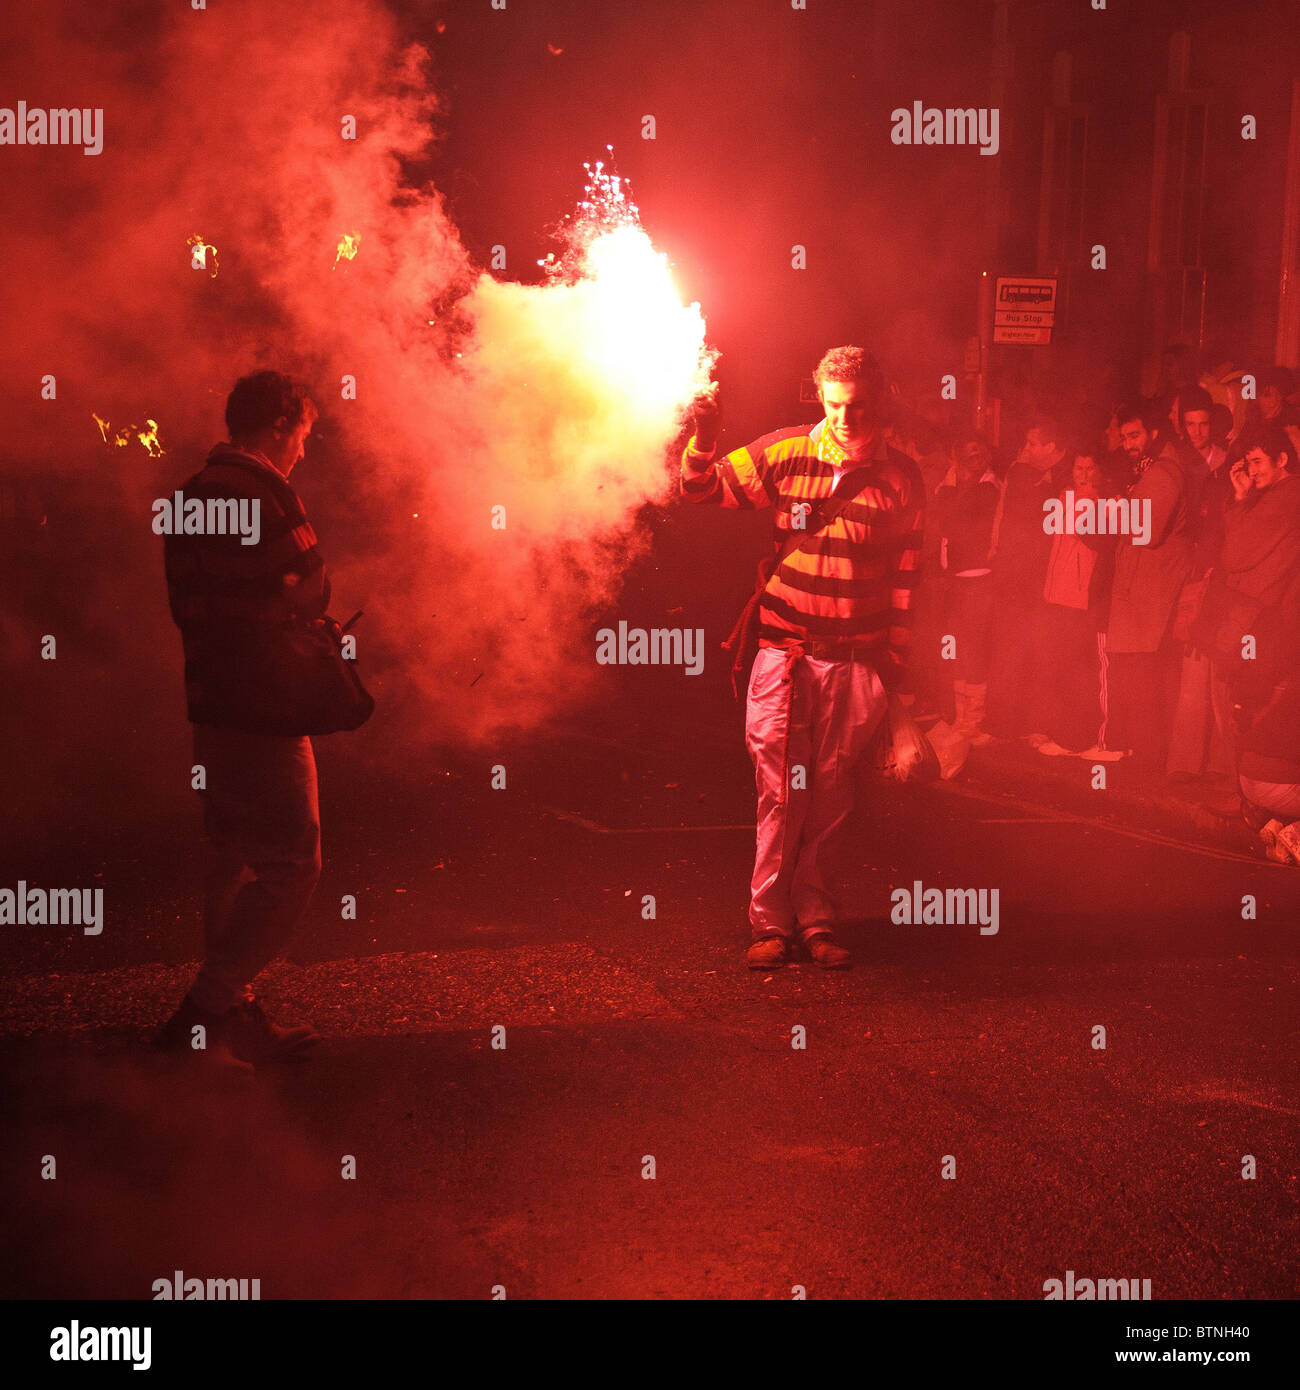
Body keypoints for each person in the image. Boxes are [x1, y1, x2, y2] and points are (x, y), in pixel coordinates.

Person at [682, 347, 924, 970]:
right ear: (821, 397)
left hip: (855, 663)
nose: (847, 417)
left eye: (859, 404)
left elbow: (907, 575)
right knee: (779, 794)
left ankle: (817, 921)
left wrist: (895, 664)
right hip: (784, 657)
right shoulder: (785, 451)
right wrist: (704, 437)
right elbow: (700, 489)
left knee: (832, 796)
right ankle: (770, 924)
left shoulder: (903, 478)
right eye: (836, 404)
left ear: (880, 399)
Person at [158, 371, 332, 1073]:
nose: (302, 452)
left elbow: (188, 605)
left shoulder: (189, 496)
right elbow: (314, 580)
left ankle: (228, 1022)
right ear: (281, 423)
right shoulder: (267, 491)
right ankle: (204, 1010)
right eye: (303, 436)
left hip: (212, 705)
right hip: (266, 710)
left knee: (229, 856)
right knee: (294, 864)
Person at [1191, 424, 1300, 790]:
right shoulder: (1273, 495)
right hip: (1258, 617)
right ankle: (1247, 791)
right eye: (1247, 463)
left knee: (1247, 706)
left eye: (1257, 462)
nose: (1251, 472)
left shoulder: (1286, 497)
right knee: (1243, 703)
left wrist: (1238, 503)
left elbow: (1234, 554)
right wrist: (1242, 500)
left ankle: (1249, 792)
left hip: (1264, 619)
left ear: (1282, 459)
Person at [1104, 403, 1194, 769]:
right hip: (1143, 588)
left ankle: (1149, 758)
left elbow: (1146, 530)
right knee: (1138, 674)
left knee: (1144, 676)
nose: (1128, 444)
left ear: (1154, 434)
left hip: (1151, 591)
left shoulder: (1164, 472)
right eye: (1124, 437)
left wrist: (1113, 513)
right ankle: (1143, 752)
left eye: (1135, 435)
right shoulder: (1152, 469)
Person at [985, 414, 1073, 742]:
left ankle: (1036, 727)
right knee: (1012, 651)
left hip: (1047, 584)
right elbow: (1009, 524)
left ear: (1053, 447)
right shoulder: (1024, 473)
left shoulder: (1067, 478)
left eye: (1033, 443)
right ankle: (1006, 724)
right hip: (1018, 581)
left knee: (1042, 655)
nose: (1025, 449)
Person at [1038, 452, 1120, 759]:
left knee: (1081, 671)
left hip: (1081, 597)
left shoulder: (1102, 503)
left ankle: (1082, 736)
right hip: (1057, 594)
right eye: (1078, 467)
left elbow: (1093, 541)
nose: (1083, 474)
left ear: (1099, 470)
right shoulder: (1064, 496)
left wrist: (1088, 497)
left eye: (1090, 467)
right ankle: (1064, 733)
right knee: (1062, 668)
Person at [929, 430, 999, 743]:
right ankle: (960, 718)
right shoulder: (960, 486)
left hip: (977, 579)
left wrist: (947, 488)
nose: (971, 458)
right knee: (956, 648)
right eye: (965, 451)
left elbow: (950, 521)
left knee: (974, 650)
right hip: (956, 579)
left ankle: (974, 721)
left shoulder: (987, 489)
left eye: (977, 450)